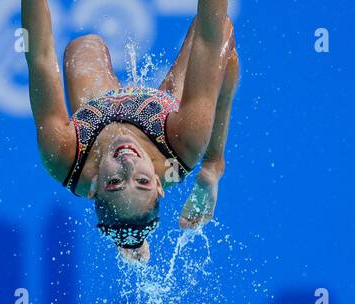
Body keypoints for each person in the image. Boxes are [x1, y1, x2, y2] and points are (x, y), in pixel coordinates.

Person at [20, 0, 239, 263]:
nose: (128, 163)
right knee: (223, 37)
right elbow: (210, 36)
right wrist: (212, 161)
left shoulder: (65, 155)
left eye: (114, 183)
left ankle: (128, 237)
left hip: (100, 105)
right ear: (158, 184)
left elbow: (39, 55)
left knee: (84, 46)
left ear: (93, 190)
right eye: (142, 181)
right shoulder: (182, 144)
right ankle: (214, 169)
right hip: (162, 121)